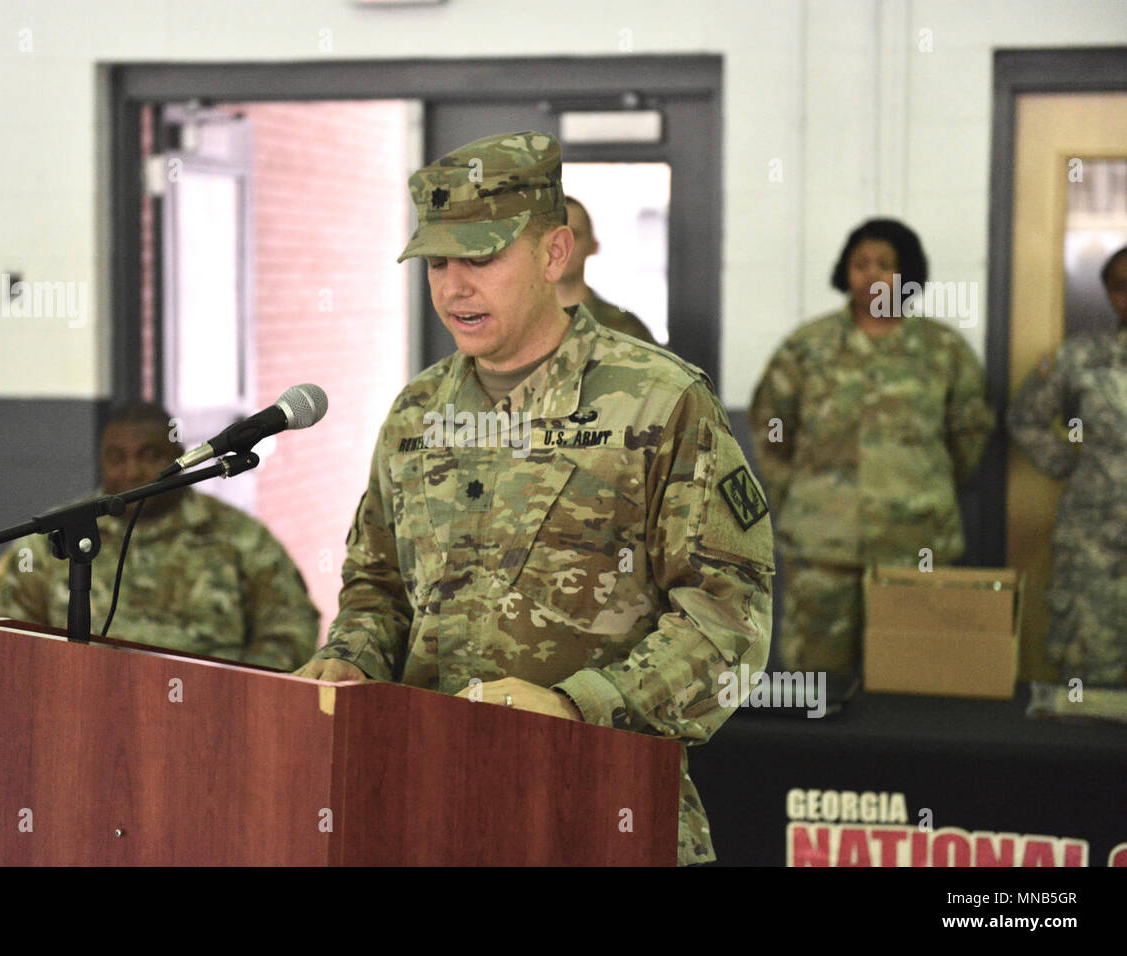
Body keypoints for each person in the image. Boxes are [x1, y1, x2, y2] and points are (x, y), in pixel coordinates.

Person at [294, 131, 774, 865]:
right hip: (426, 804)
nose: (455, 287)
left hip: (599, 805)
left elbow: (729, 619)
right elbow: (378, 587)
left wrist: (581, 703)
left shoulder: (658, 402)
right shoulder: (417, 412)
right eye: (438, 263)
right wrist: (350, 656)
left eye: (481, 259)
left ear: (554, 255)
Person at [749, 218, 994, 682]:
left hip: (916, 543)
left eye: (886, 265)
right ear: (845, 270)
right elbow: (771, 426)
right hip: (823, 542)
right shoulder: (808, 347)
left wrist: (924, 486)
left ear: (909, 273)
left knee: (913, 679)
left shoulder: (943, 350)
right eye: (860, 264)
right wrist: (797, 493)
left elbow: (970, 432)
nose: (872, 275)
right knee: (815, 685)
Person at [0, 402, 319, 670]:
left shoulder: (239, 537)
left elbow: (291, 628)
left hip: (207, 718)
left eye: (149, 456)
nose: (132, 471)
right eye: (117, 458)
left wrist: (237, 689)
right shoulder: (61, 536)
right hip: (82, 716)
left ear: (178, 457)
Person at [1007, 245, 1127, 688]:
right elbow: (1026, 418)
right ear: (1110, 296)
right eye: (1121, 288)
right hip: (1096, 542)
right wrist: (1071, 467)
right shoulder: (1080, 358)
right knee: (1092, 672)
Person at [555, 195, 658, 344]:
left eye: (574, 236)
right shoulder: (516, 325)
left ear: (593, 246)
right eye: (555, 238)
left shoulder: (625, 328)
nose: (563, 247)